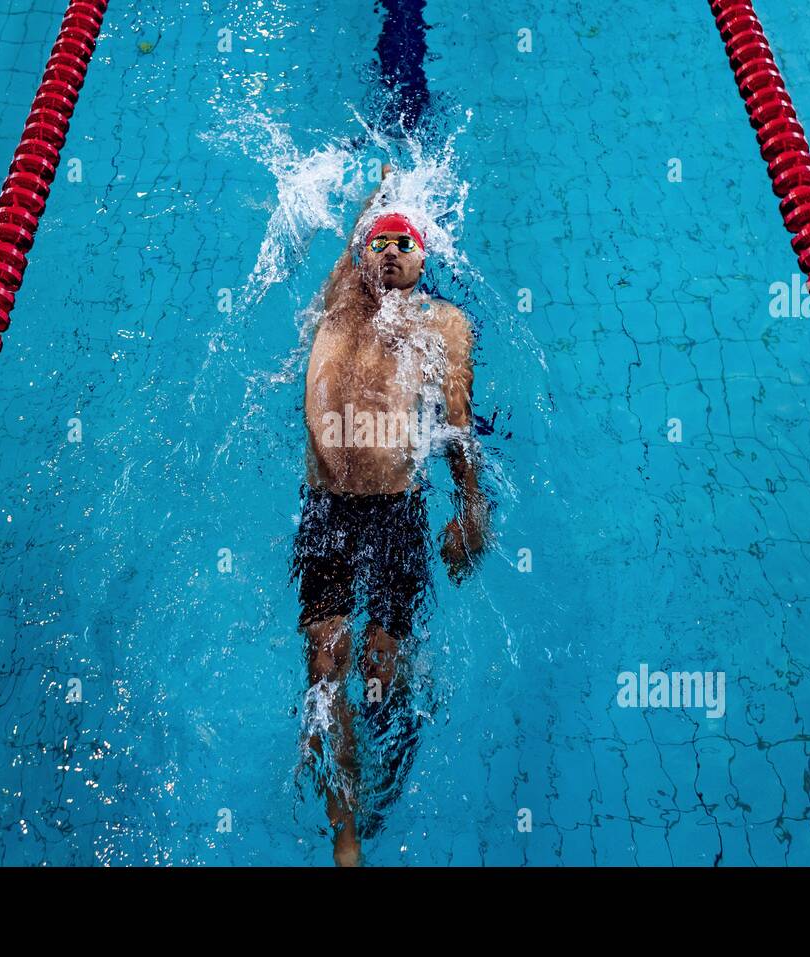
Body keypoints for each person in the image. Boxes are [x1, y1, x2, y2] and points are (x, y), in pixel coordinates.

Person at [291, 165, 488, 866]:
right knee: (324, 665)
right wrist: (378, 190)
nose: (392, 251)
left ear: (426, 257)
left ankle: (400, 693)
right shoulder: (341, 301)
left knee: (380, 665)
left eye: (407, 242)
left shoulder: (445, 324)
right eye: (381, 242)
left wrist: (470, 505)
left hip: (398, 514)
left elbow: (458, 425)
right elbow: (355, 233)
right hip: (328, 511)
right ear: (361, 254)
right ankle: (346, 837)